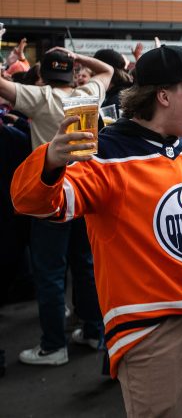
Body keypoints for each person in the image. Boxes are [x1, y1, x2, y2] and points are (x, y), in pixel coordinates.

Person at [11, 45, 182, 417]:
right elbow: (35, 202)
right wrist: (50, 160)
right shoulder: (105, 154)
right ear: (163, 96)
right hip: (153, 332)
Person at [0, 47, 112, 366]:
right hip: (86, 194)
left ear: (45, 76)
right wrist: (79, 57)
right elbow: (107, 71)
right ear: (71, 71)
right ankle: (93, 332)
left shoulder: (40, 98)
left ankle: (53, 346)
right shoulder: (89, 92)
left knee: (49, 273)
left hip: (51, 195)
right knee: (85, 265)